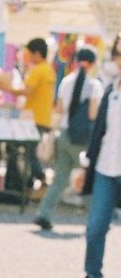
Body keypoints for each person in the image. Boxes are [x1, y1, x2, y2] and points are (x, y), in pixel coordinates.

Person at [71, 37, 121, 278]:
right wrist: (86, 165)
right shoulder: (110, 90)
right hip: (105, 167)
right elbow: (99, 132)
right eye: (118, 53)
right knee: (95, 227)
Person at [35, 47, 102, 232]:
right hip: (82, 138)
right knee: (89, 178)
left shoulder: (65, 81)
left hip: (64, 134)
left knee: (60, 179)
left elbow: (59, 109)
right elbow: (93, 114)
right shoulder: (94, 85)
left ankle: (43, 213)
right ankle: (96, 221)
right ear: (93, 63)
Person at [21, 37, 57, 186]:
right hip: (43, 118)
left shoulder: (38, 70)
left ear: (36, 53)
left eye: (28, 53)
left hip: (33, 118)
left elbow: (27, 91)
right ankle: (31, 183)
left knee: (28, 153)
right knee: (31, 152)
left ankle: (40, 178)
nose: (27, 57)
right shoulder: (49, 70)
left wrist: (4, 86)